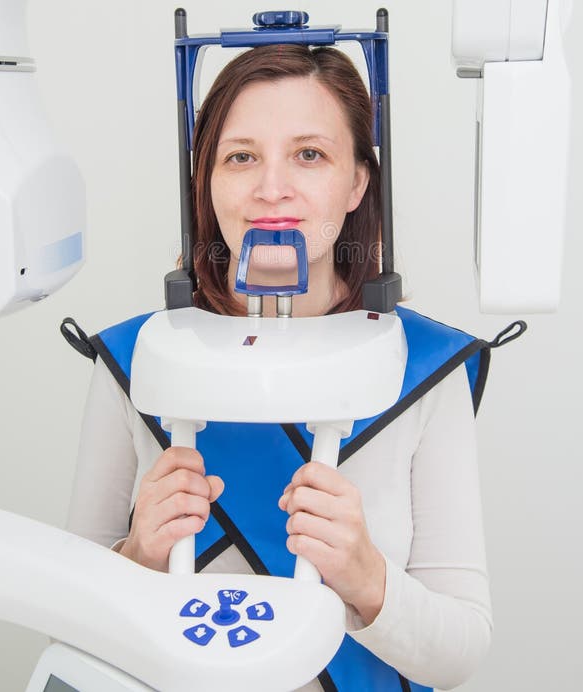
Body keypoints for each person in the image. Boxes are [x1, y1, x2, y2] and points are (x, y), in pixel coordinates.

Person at [66, 44, 492, 691]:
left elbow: (460, 654)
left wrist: (365, 576)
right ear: (203, 182)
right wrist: (138, 560)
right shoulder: (137, 361)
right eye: (241, 157)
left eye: (309, 154)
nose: (271, 189)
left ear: (356, 181)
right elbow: (66, 629)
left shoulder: (424, 367)